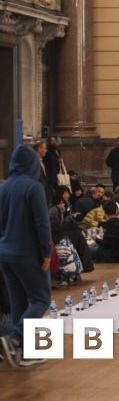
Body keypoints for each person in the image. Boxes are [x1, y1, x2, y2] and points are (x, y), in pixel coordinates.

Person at [0, 145, 52, 368]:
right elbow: (42, 223)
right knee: (41, 299)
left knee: (19, 303)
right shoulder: (34, 187)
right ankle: (13, 338)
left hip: (5, 253)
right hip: (27, 253)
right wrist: (47, 253)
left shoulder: (3, 187)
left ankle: (27, 353)